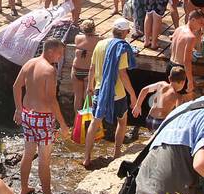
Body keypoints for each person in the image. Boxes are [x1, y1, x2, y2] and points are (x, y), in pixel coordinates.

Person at [12, 38, 67, 194]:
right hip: (43, 119)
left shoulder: (29, 63)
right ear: (50, 51)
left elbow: (16, 86)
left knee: (28, 153)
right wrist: (63, 124)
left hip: (28, 115)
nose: (60, 57)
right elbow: (51, 100)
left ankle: (23, 189)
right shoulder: (49, 70)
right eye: (59, 54)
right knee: (44, 159)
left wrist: (19, 109)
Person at [83, 19, 136, 167]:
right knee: (122, 121)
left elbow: (92, 67)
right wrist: (132, 94)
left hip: (100, 90)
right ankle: (117, 154)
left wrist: (90, 85)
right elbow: (123, 74)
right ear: (125, 32)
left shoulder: (100, 44)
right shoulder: (121, 48)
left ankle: (86, 157)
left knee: (95, 122)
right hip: (117, 93)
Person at [132, 65, 191, 131]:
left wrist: (138, 106)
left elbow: (144, 90)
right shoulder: (178, 97)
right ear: (183, 82)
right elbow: (177, 115)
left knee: (153, 135)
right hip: (159, 123)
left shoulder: (161, 84)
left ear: (169, 78)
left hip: (149, 119)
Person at [169, 9, 204, 91]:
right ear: (193, 20)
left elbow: (171, 47)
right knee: (187, 97)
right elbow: (187, 61)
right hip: (180, 70)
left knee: (172, 95)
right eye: (200, 23)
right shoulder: (191, 37)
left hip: (170, 66)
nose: (201, 26)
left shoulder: (178, 29)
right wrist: (190, 81)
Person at [71, 19, 99, 107]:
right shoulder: (99, 39)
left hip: (76, 69)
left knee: (77, 96)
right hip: (88, 71)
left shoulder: (77, 37)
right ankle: (88, 119)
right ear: (94, 29)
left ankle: (77, 119)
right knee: (89, 96)